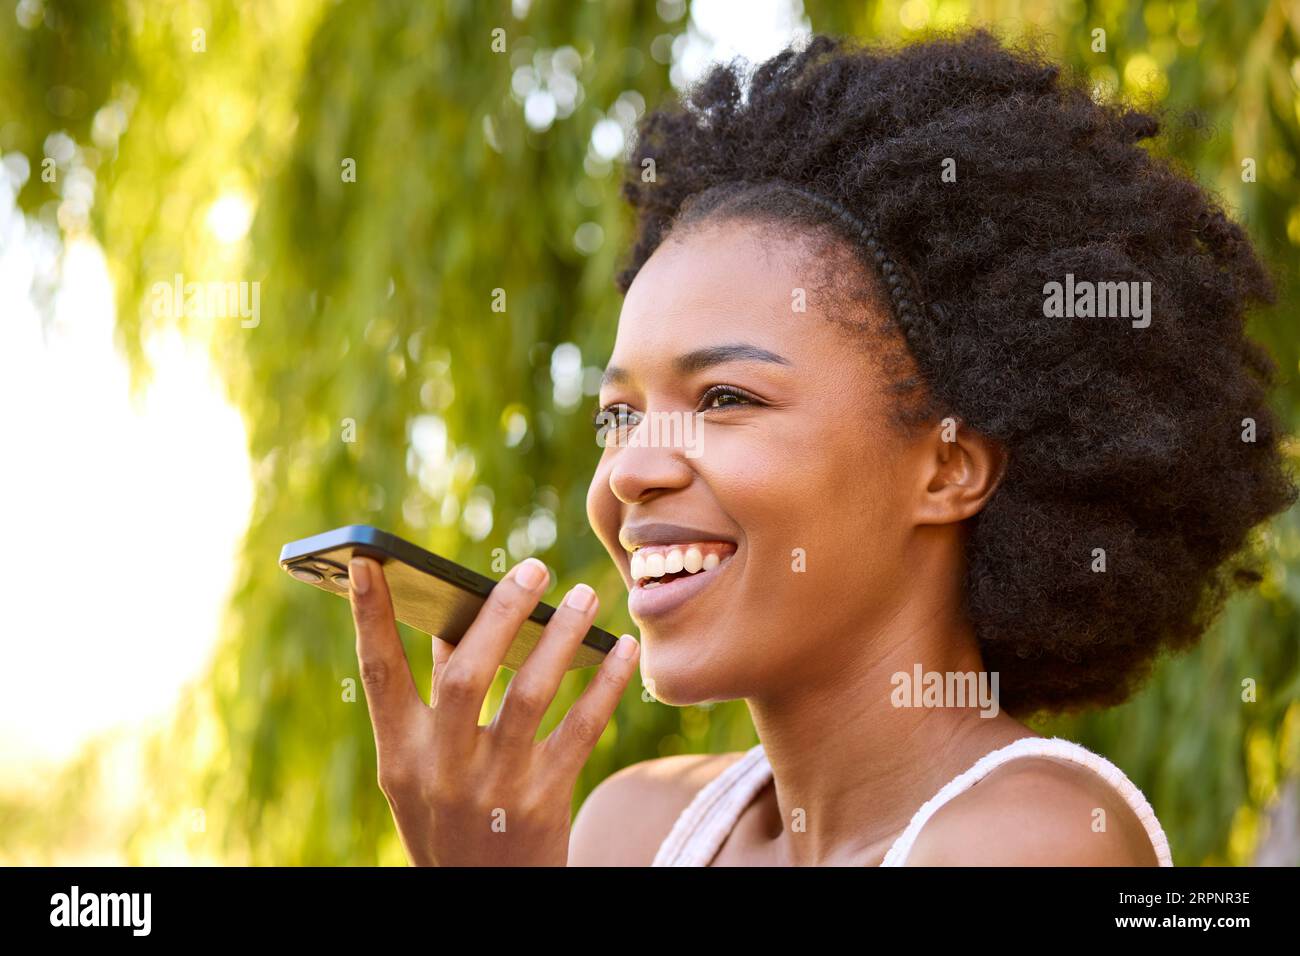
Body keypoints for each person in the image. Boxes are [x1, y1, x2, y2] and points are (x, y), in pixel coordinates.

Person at [345, 29, 1295, 866]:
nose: (629, 471)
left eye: (723, 398)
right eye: (619, 415)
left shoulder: (1031, 840)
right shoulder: (629, 829)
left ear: (949, 467)